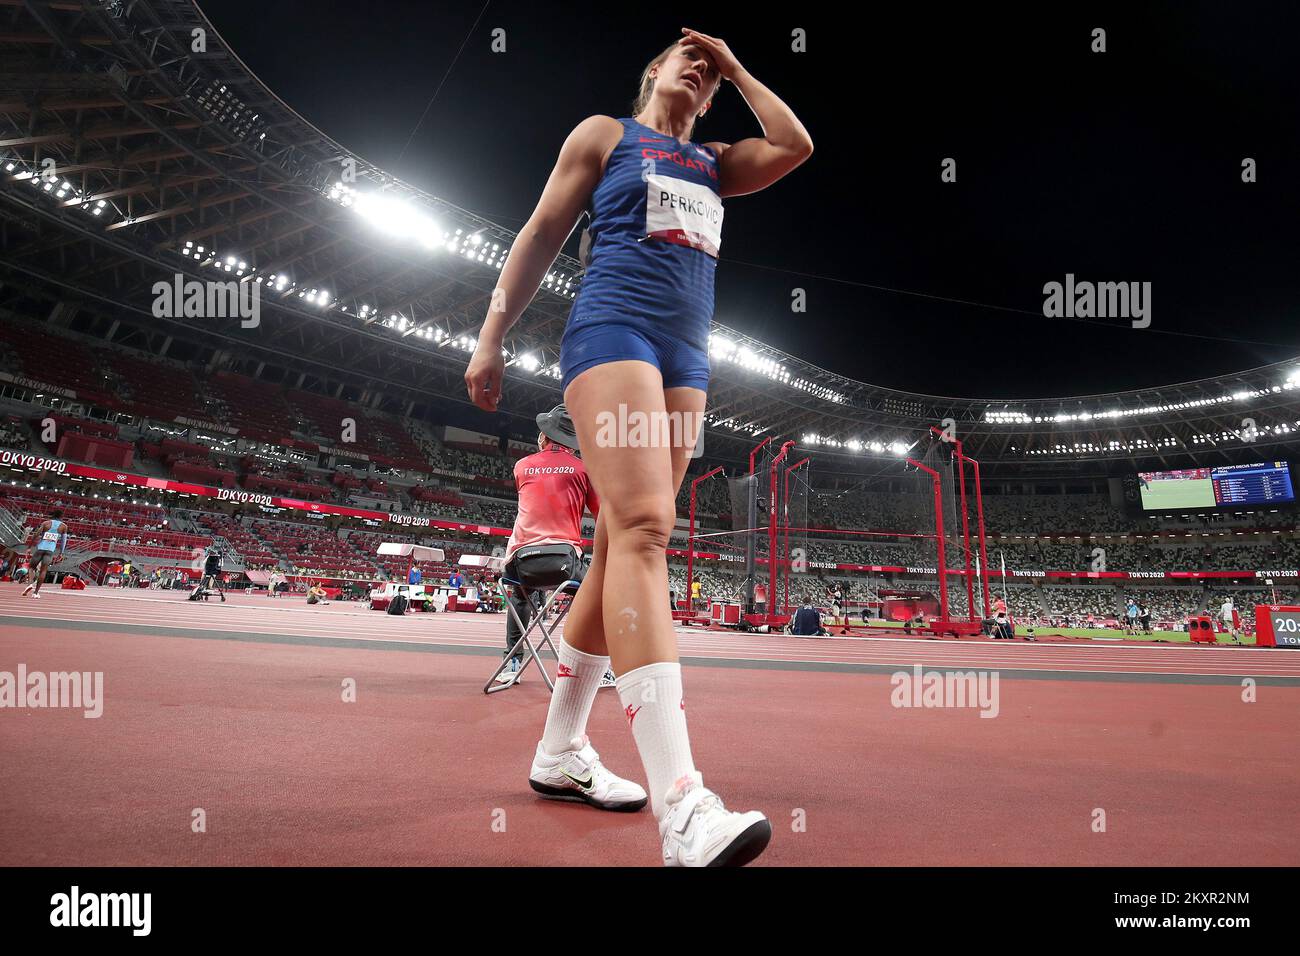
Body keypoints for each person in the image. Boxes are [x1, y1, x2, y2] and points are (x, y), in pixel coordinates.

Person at [465, 28, 810, 866]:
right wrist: (491, 334)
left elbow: (797, 145)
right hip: (613, 329)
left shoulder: (720, 160)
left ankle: (558, 751)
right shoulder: (606, 135)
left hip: (687, 353)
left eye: (710, 70)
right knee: (649, 528)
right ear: (651, 72)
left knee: (623, 540)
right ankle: (685, 809)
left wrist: (733, 66)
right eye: (684, 58)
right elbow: (542, 231)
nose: (699, 70)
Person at [496, 406, 614, 694]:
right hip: (564, 560)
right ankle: (594, 669)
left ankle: (512, 663)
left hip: (521, 562)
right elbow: (602, 518)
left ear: (543, 436)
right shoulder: (584, 469)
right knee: (596, 596)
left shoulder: (521, 466)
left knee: (520, 596)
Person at [21, 508, 68, 599]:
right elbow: (63, 541)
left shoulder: (46, 523)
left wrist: (29, 547)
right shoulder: (64, 527)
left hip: (40, 548)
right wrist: (61, 553)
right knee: (43, 571)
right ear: (61, 517)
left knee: (31, 567)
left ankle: (30, 584)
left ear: (53, 515)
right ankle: (35, 593)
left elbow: (36, 534)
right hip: (50, 551)